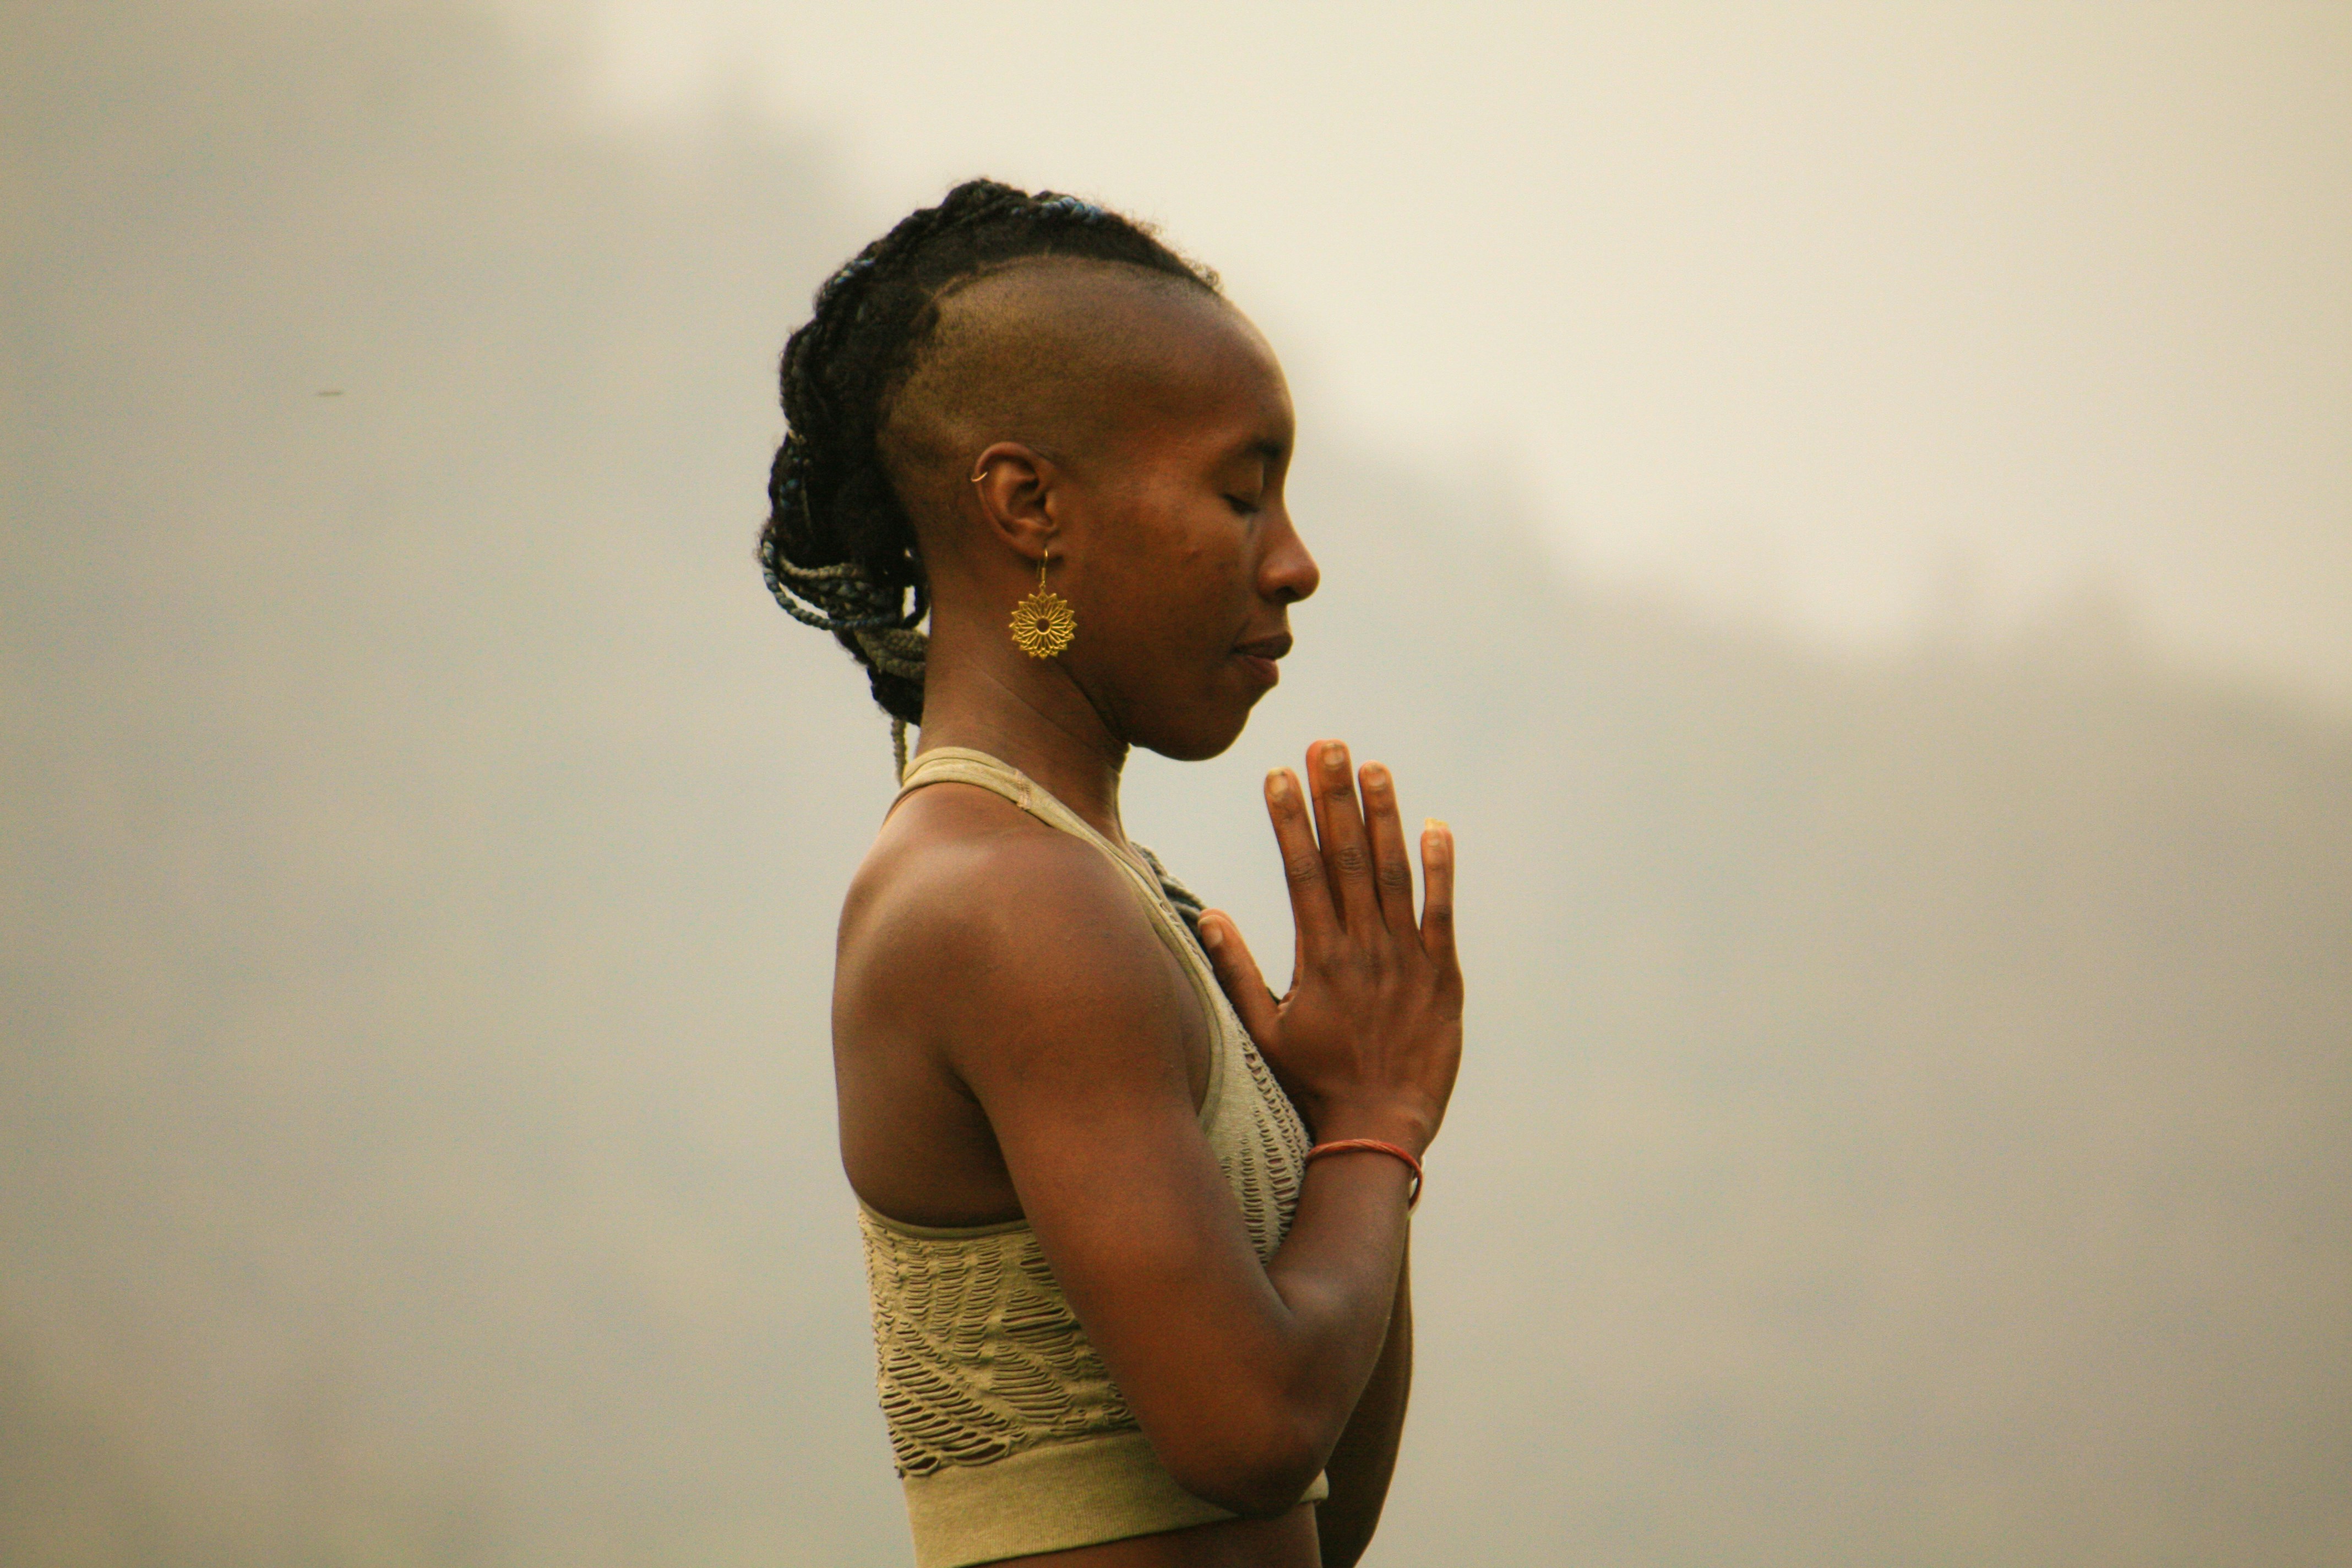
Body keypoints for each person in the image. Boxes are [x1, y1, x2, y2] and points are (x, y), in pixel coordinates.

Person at [761, 179, 1464, 1568]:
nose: (1296, 563)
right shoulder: (1010, 901)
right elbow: (1250, 1429)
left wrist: (1351, 1137)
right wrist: (1378, 1120)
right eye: (1240, 492)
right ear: (1028, 502)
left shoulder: (1105, 893)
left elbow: (1314, 1502)